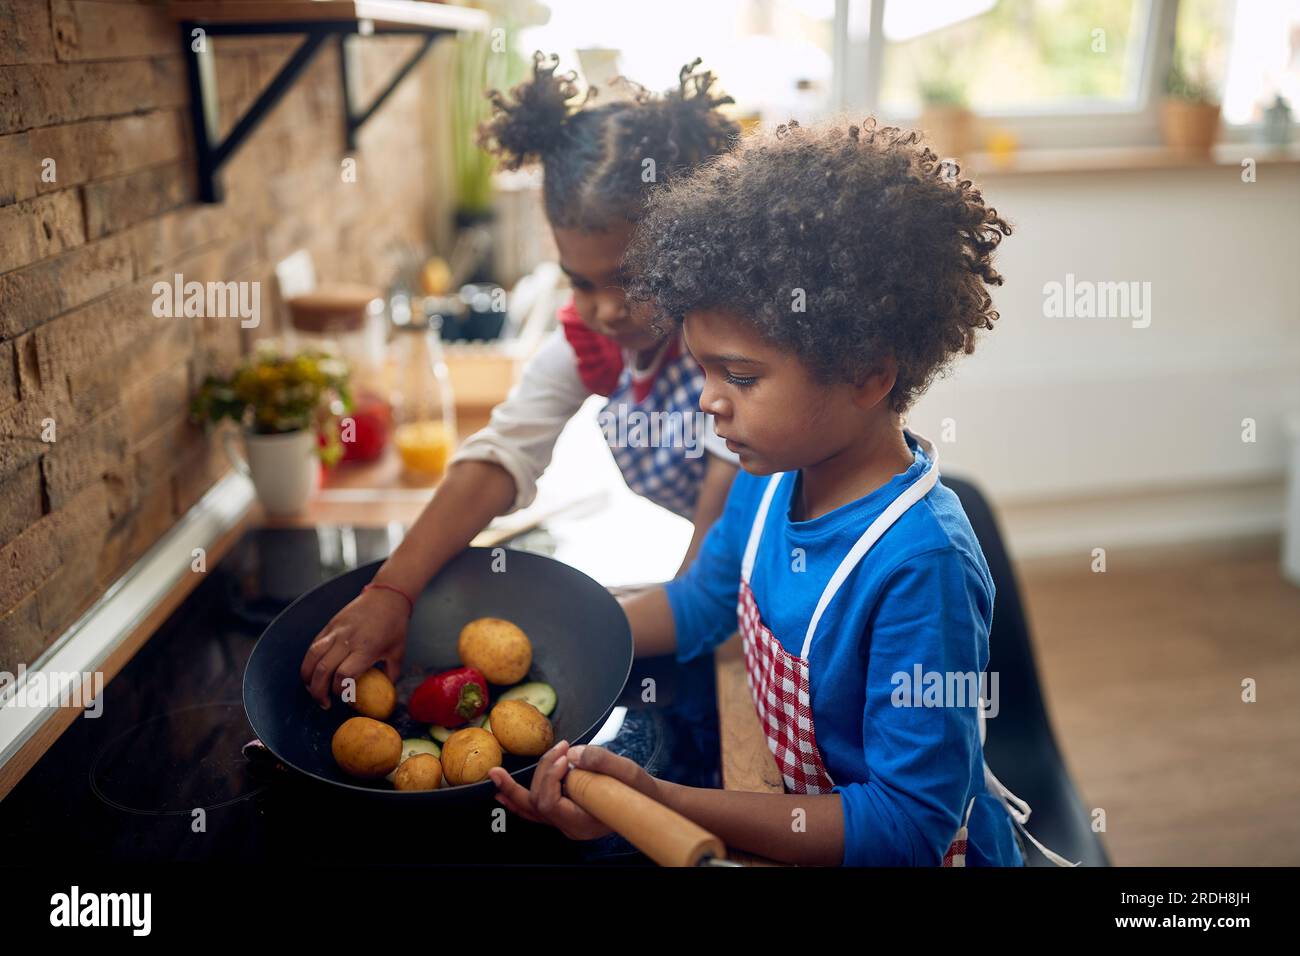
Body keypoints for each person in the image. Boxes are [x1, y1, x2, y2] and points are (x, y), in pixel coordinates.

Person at [489, 118, 1056, 866]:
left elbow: (908, 827)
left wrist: (663, 801)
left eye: (742, 377)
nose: (709, 404)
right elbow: (700, 603)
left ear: (866, 373)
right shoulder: (771, 485)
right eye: (703, 371)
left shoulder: (923, 568)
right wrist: (561, 639)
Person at [301, 54, 740, 709]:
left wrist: (541, 639)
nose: (608, 309)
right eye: (582, 281)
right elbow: (503, 453)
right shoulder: (593, 340)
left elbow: (707, 592)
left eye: (632, 279)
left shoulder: (740, 357)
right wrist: (392, 591)